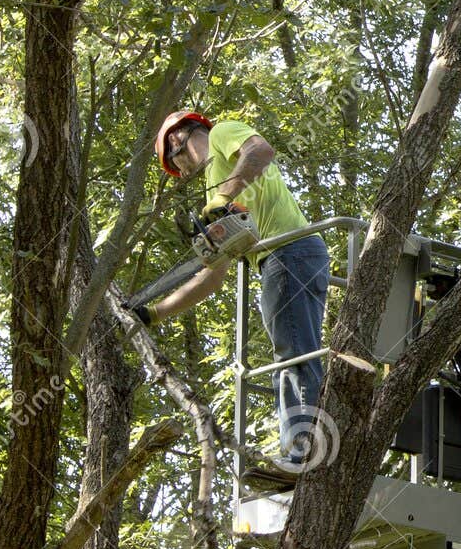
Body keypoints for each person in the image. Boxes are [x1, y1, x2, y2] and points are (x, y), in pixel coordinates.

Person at [135, 110, 330, 478]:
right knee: (292, 352)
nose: (183, 172)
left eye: (175, 163)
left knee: (292, 357)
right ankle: (307, 452)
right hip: (283, 259)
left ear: (177, 140)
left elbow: (261, 150)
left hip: (289, 253)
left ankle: (304, 454)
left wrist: (223, 196)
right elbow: (212, 277)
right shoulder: (215, 186)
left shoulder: (224, 134)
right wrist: (155, 313)